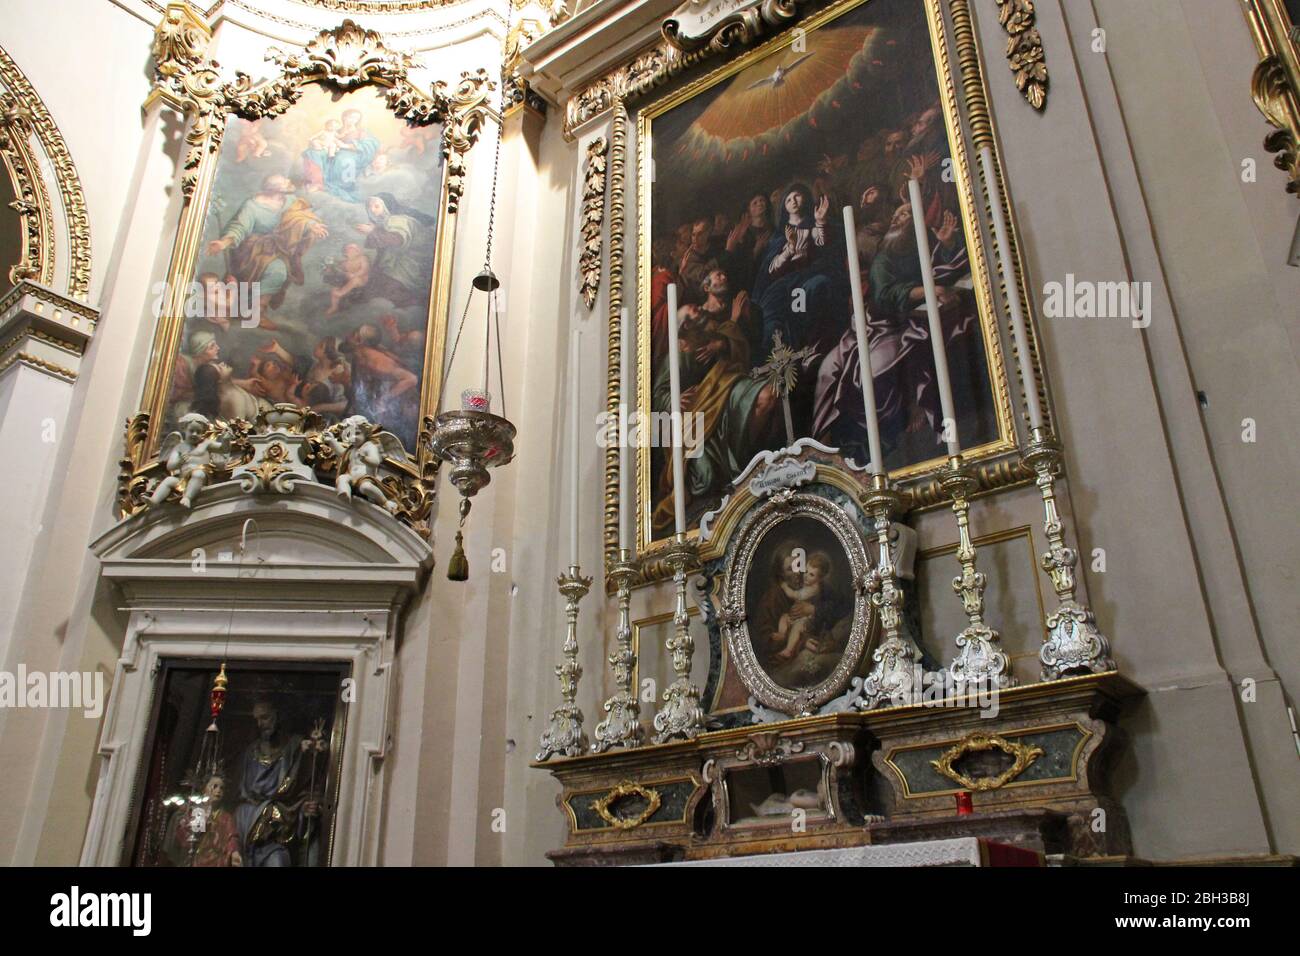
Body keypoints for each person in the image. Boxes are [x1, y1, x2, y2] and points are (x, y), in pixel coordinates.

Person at [205, 174, 328, 312]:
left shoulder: (289, 201)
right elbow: (239, 227)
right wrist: (223, 243)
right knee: (275, 272)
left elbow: (299, 217)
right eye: (284, 182)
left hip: (277, 248)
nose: (289, 182)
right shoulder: (253, 206)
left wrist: (310, 225)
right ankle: (251, 310)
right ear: (274, 189)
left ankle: (258, 311)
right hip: (252, 251)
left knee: (279, 272)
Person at [753, 182, 846, 357]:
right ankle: (776, 357)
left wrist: (820, 221)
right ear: (784, 207)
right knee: (772, 316)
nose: (793, 201)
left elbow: (821, 243)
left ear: (805, 198)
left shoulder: (813, 225)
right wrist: (789, 248)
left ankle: (804, 348)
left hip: (806, 278)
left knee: (802, 302)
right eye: (788, 199)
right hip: (783, 285)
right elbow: (771, 268)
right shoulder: (778, 238)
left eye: (797, 196)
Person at [233, 699, 322, 867]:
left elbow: (303, 793)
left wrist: (304, 809)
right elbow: (241, 794)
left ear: (277, 715)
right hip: (248, 821)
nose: (260, 724)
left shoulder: (295, 748)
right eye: (256, 719)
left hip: (279, 827)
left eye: (265, 717)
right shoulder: (250, 753)